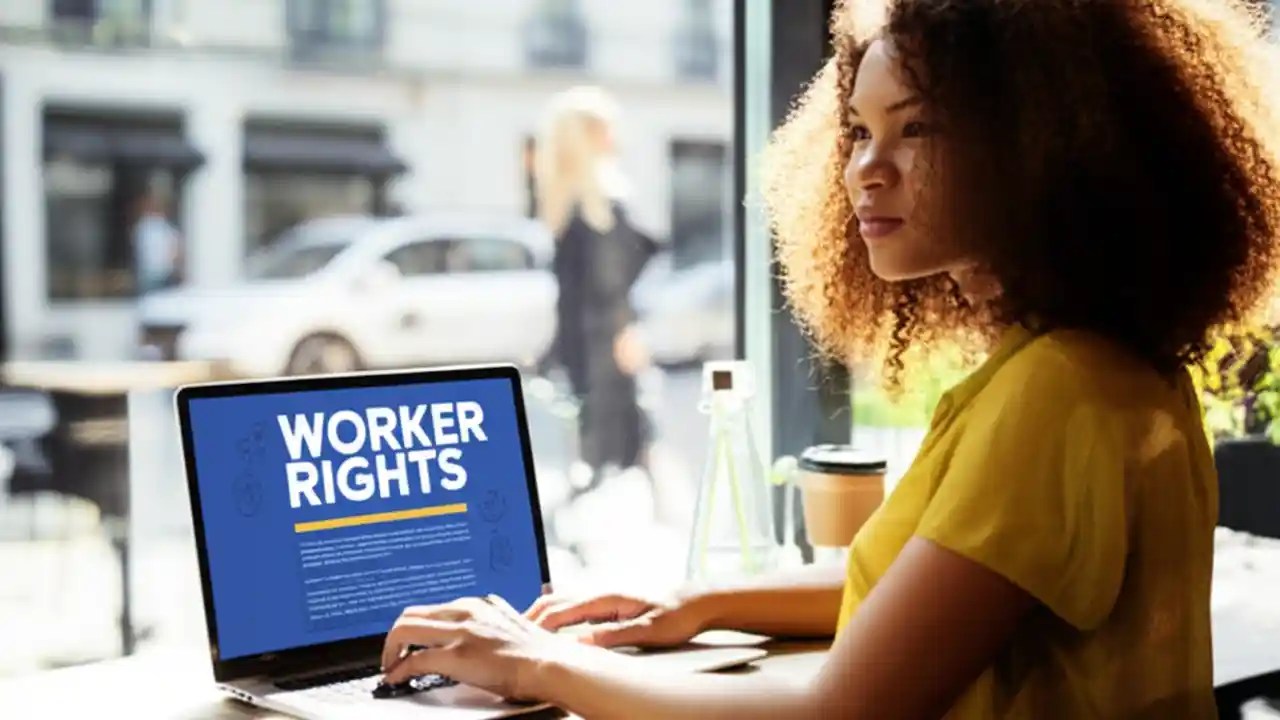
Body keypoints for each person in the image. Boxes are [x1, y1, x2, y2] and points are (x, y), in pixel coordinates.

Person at [380, 1, 1280, 716]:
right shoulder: (1115, 367)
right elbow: (940, 583)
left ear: (1044, 142)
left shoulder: (1055, 394)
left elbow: (839, 713)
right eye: (857, 131)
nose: (864, 169)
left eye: (917, 129)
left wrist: (535, 665)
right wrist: (702, 602)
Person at [535, 86, 659, 490]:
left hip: (591, 346)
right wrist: (627, 331)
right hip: (604, 348)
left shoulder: (571, 203)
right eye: (606, 128)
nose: (615, 137)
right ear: (586, 136)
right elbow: (605, 286)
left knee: (608, 458)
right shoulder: (595, 207)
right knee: (625, 454)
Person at [131, 189, 182, 296]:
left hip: (162, 272)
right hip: (153, 272)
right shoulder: (146, 226)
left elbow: (175, 248)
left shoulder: (159, 226)